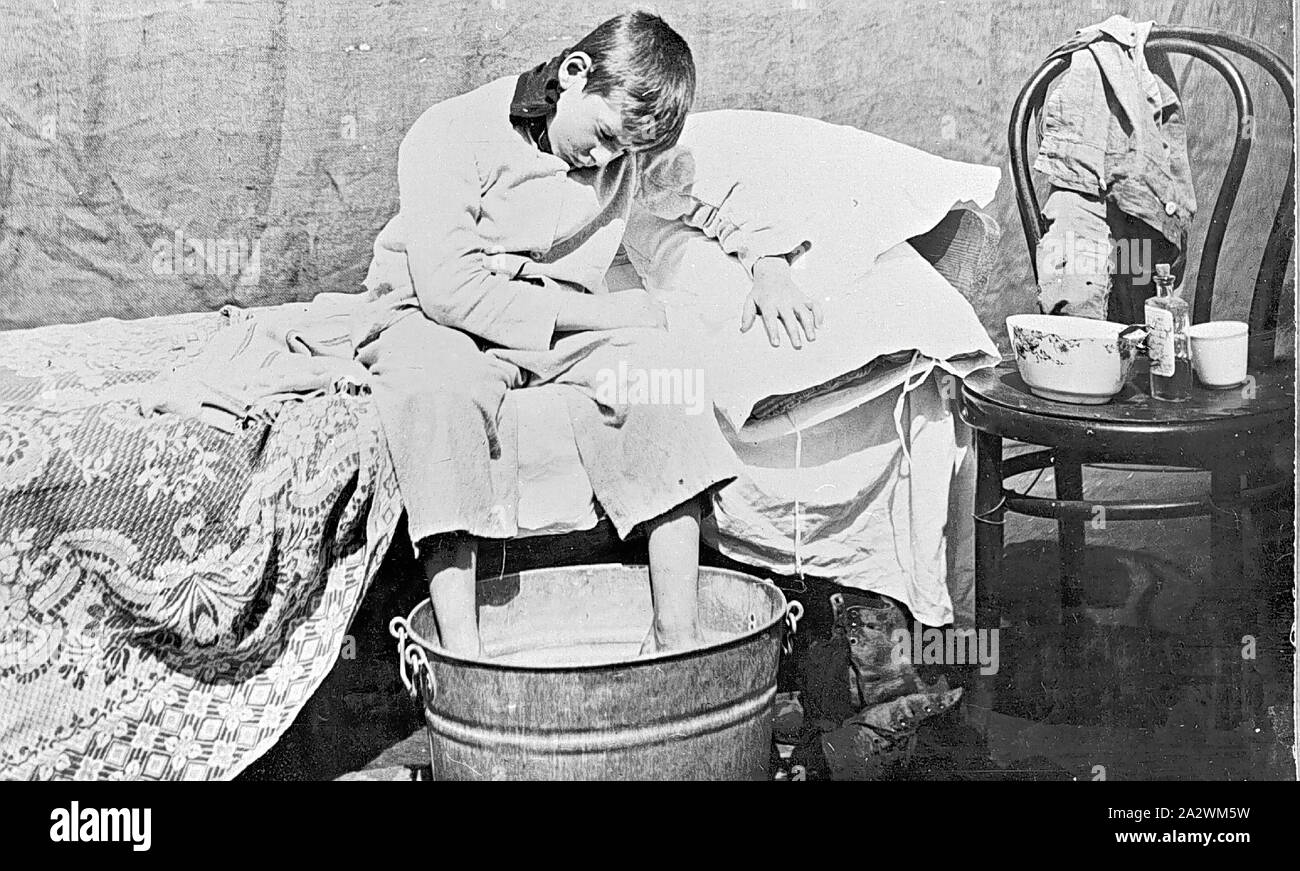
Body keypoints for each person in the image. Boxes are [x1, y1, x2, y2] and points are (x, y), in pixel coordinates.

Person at [357, 10, 819, 658]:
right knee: (438, 398)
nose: (603, 159)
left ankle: (675, 637)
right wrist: (614, 314)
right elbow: (449, 289)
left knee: (666, 377)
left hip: (553, 326)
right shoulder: (450, 130)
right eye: (601, 134)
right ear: (575, 73)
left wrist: (770, 271)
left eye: (622, 152)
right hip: (435, 316)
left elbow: (717, 197)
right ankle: (464, 657)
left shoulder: (624, 150)